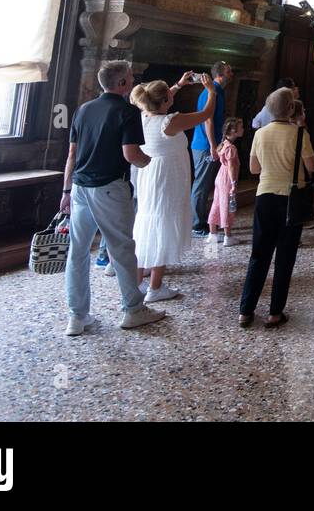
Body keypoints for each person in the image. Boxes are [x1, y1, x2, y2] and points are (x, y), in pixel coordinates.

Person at [61, 60, 163, 335]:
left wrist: (66, 190)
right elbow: (131, 154)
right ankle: (133, 310)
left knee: (78, 252)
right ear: (121, 84)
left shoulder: (83, 110)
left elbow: (72, 154)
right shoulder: (127, 111)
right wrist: (148, 161)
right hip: (110, 187)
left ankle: (77, 316)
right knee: (122, 249)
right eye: (130, 77)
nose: (132, 80)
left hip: (80, 187)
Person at [130, 73, 216, 301]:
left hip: (149, 174)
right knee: (163, 225)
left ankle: (136, 283)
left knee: (147, 224)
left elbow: (157, 98)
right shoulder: (170, 122)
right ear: (166, 100)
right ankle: (155, 287)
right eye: (169, 93)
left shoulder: (144, 117)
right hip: (167, 179)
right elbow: (206, 114)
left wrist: (177, 85)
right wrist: (211, 91)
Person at [239, 90, 314, 328]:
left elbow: (253, 168)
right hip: (291, 200)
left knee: (258, 256)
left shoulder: (260, 134)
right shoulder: (299, 134)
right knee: (284, 257)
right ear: (292, 110)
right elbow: (311, 166)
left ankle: (245, 310)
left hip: (265, 196)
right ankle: (275, 312)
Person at [190, 61, 233, 236]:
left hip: (211, 144)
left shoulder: (217, 91)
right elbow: (207, 120)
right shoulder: (210, 92)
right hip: (205, 145)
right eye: (229, 71)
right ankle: (196, 225)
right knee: (201, 185)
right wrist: (214, 146)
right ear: (220, 74)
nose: (232, 74)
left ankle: (206, 221)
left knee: (208, 184)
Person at [209, 117, 244, 246]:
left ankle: (213, 233)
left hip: (220, 177)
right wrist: (233, 183)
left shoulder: (224, 144)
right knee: (227, 206)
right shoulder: (231, 148)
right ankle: (227, 236)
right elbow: (231, 166)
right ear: (234, 131)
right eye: (241, 128)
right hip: (226, 179)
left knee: (217, 203)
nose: (243, 130)